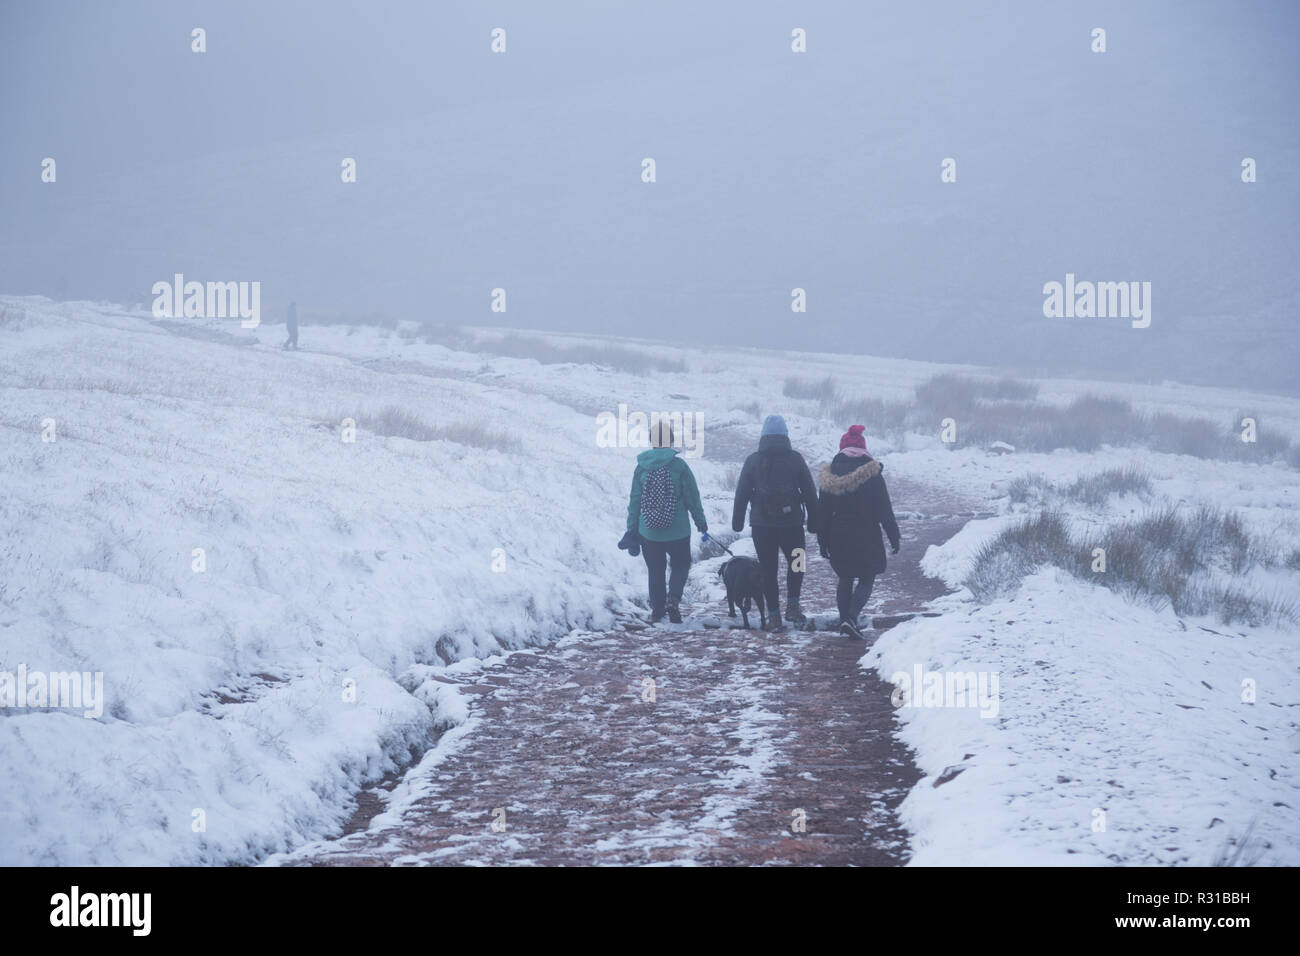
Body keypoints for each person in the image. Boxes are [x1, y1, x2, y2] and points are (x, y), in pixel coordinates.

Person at [731, 414, 818, 630]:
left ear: (763, 436)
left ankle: (774, 617)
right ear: (785, 435)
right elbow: (809, 491)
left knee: (768, 571)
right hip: (792, 525)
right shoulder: (795, 459)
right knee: (798, 563)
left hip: (762, 527)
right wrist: (815, 521)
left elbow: (741, 493)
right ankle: (793, 607)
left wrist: (737, 522)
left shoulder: (753, 460)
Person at [814, 424, 900, 639]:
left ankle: (845, 621)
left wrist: (822, 541)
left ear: (842, 448)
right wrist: (894, 536)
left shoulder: (830, 474)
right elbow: (884, 508)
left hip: (838, 534)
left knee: (845, 578)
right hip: (867, 533)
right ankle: (851, 618)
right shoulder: (872, 473)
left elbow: (822, 512)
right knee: (867, 577)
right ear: (863, 449)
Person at [626, 420, 707, 624]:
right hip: (678, 530)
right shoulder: (679, 466)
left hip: (649, 531)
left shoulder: (641, 467)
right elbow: (692, 498)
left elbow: (635, 501)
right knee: (680, 565)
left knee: (655, 569)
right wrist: (701, 523)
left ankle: (658, 609)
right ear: (670, 440)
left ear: (652, 441)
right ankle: (674, 599)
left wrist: (632, 529)